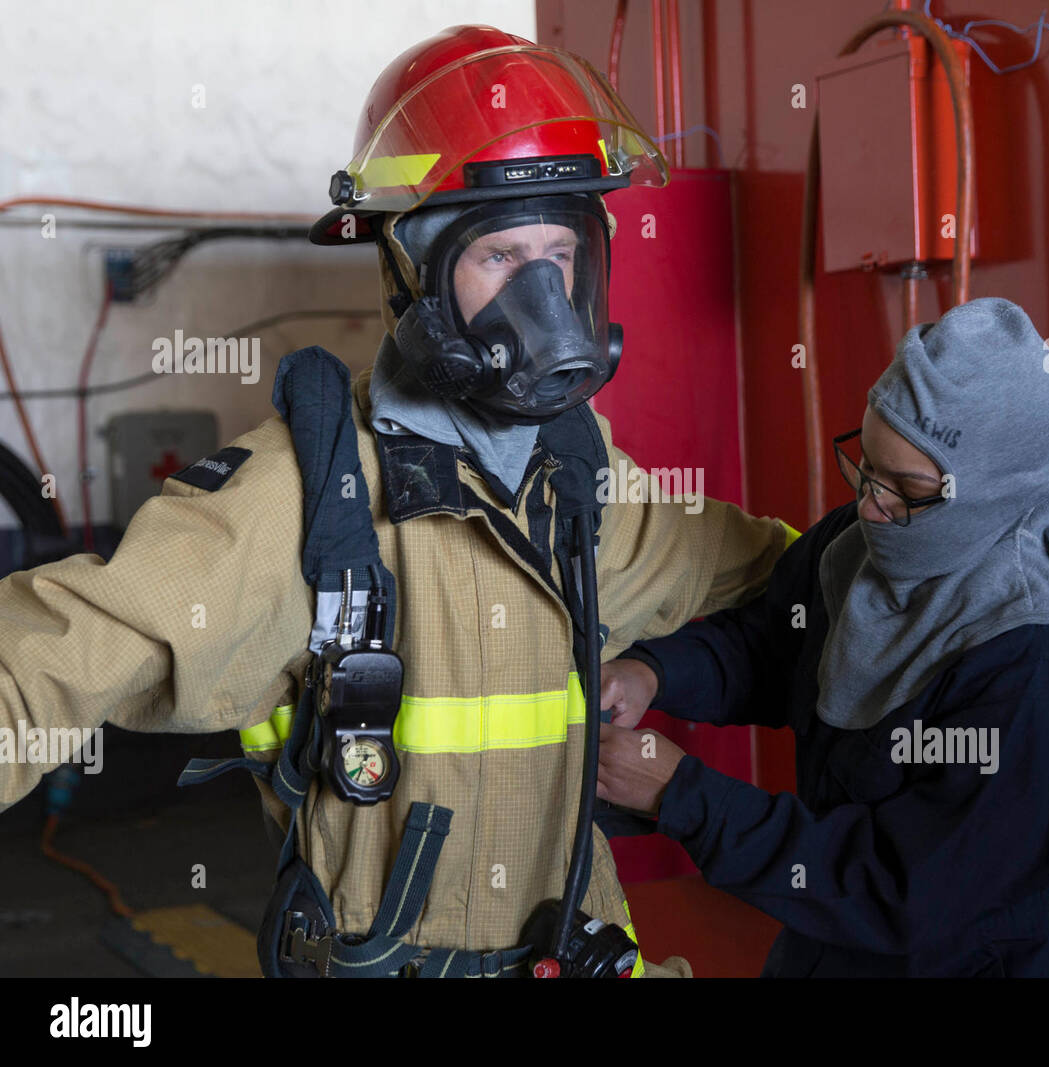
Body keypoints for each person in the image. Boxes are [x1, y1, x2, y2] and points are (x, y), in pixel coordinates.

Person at [0, 25, 796, 978]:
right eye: (501, 258)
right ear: (411, 272)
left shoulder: (587, 485)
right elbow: (50, 660)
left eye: (561, 252)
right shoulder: (309, 498)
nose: (543, 297)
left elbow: (786, 575)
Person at [598, 297, 1049, 977]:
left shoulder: (1034, 671)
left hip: (988, 955)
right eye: (867, 465)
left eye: (905, 488)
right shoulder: (863, 545)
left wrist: (678, 794)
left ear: (989, 494)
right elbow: (777, 647)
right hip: (843, 933)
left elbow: (898, 886)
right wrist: (652, 671)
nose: (869, 505)